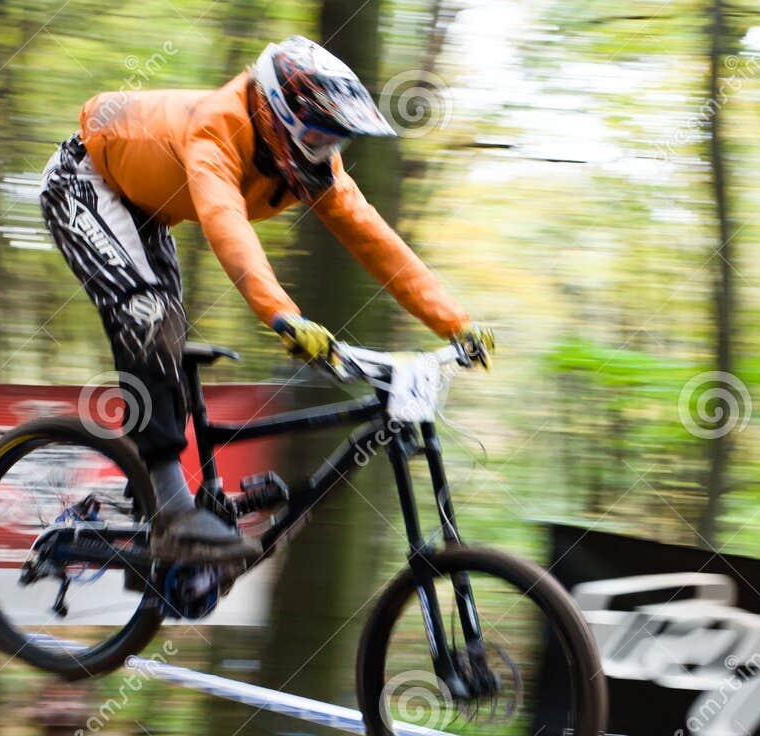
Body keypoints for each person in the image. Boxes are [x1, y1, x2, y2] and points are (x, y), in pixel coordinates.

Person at [39, 36, 493, 561]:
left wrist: (454, 322)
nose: (326, 151)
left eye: (336, 140)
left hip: (144, 210)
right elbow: (226, 226)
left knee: (167, 334)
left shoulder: (314, 163)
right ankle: (171, 515)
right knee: (148, 314)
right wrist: (282, 314)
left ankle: (157, 511)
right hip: (84, 182)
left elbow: (376, 240)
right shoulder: (216, 129)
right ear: (276, 113)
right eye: (319, 135)